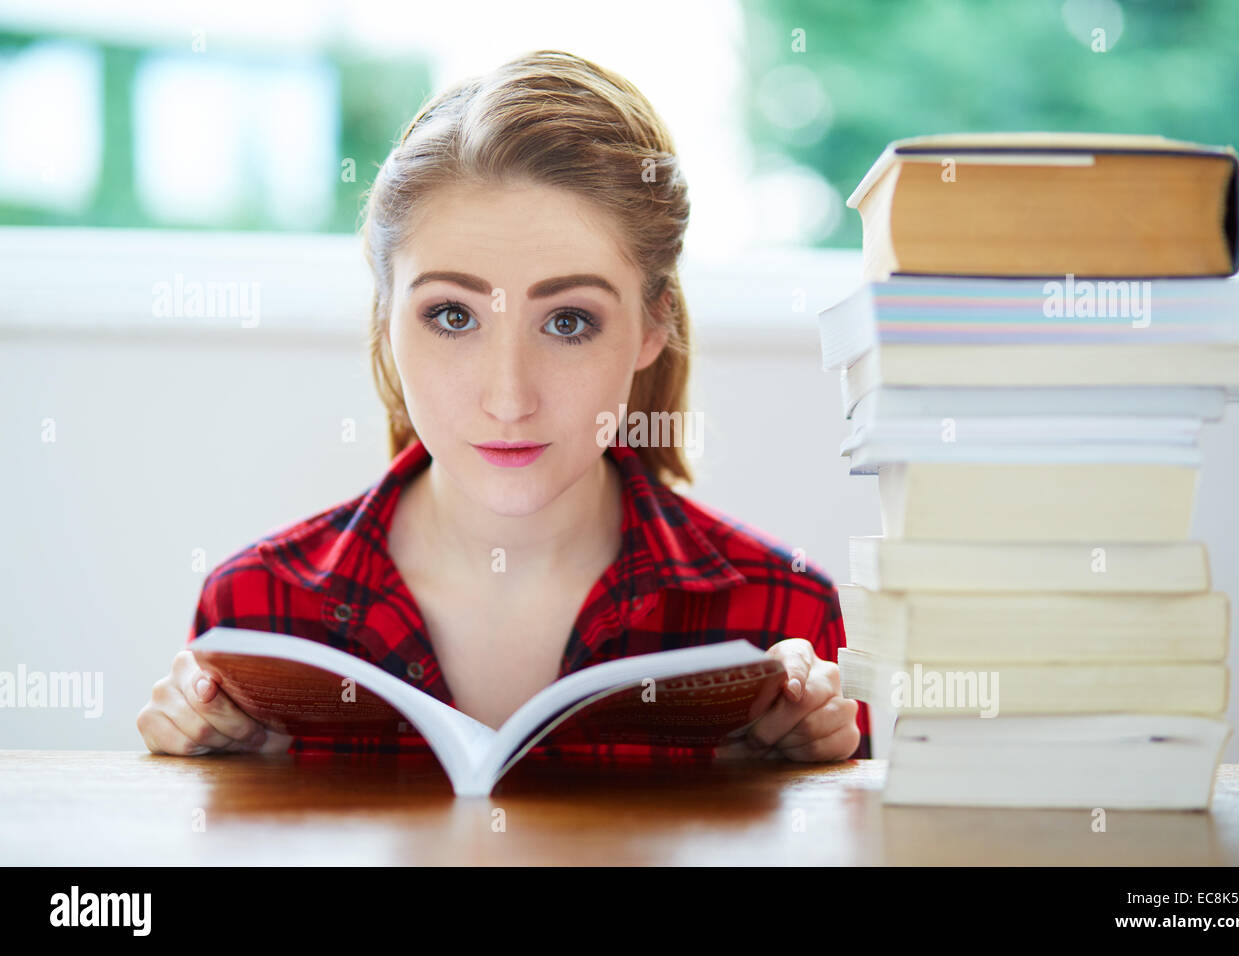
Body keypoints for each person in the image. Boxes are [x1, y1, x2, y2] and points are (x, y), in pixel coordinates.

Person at [137, 49, 870, 764]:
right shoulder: (256, 606)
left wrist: (786, 792)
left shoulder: (786, 615)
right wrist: (236, 773)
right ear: (387, 315)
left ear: (652, 325)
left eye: (568, 321)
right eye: (453, 317)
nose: (510, 398)